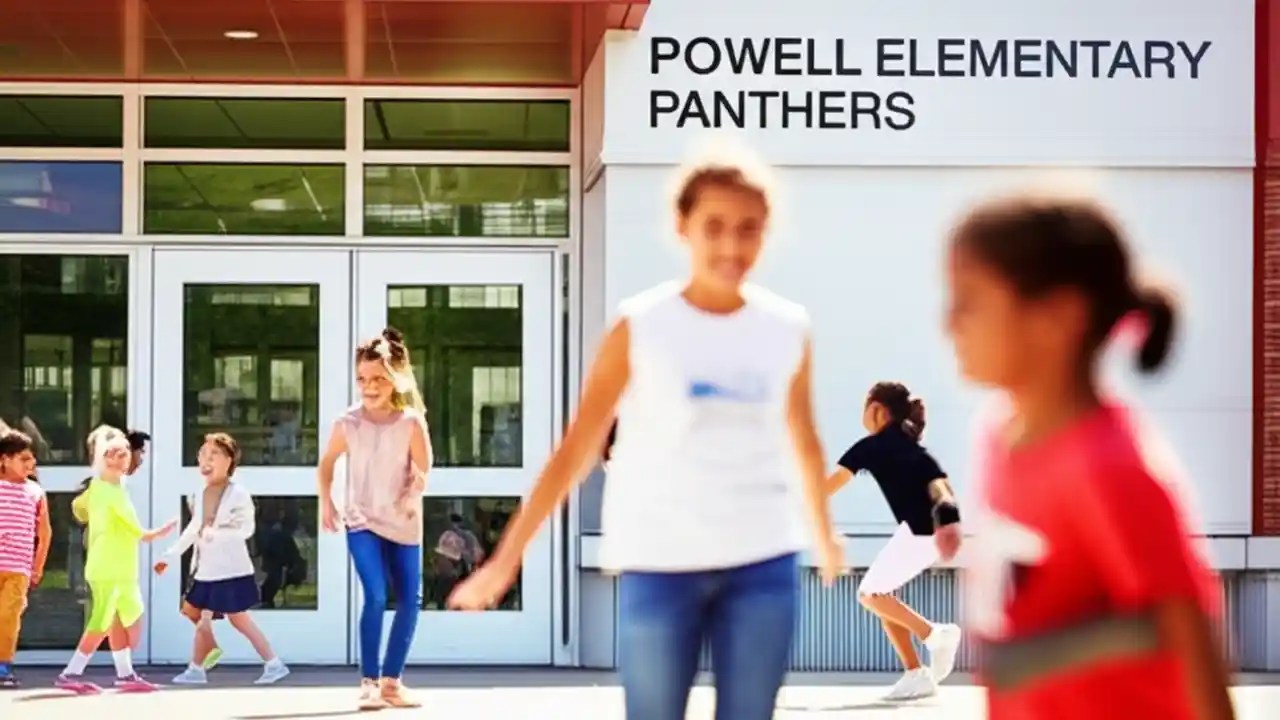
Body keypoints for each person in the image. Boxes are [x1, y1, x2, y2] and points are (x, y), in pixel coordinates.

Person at [448, 152, 844, 720]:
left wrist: (825, 536)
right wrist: (506, 559)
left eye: (748, 229)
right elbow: (577, 448)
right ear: (682, 227)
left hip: (762, 561)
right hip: (661, 562)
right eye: (714, 227)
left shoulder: (786, 328)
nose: (732, 247)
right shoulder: (642, 325)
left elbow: (804, 438)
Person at [946, 192, 1235, 719]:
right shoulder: (997, 432)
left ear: (1059, 316)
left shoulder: (1109, 467)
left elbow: (1187, 629)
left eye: (969, 300)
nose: (949, 324)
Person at [826, 382, 963, 700]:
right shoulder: (911, 447)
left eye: (864, 406)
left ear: (876, 410)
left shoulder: (871, 447)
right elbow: (940, 485)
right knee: (881, 594)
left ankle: (935, 634)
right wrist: (951, 521)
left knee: (869, 594)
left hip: (920, 531)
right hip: (927, 529)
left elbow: (832, 483)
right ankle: (916, 674)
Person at [317, 327, 431, 710]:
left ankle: (392, 683)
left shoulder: (412, 422)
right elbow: (326, 463)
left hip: (403, 522)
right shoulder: (347, 423)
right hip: (361, 520)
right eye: (363, 379)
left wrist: (414, 494)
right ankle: (368, 682)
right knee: (377, 593)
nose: (369, 386)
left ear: (395, 377)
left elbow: (424, 469)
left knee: (410, 601)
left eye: (378, 379)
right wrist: (326, 501)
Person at [156, 432, 289, 686]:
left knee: (237, 619)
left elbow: (246, 529)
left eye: (213, 454)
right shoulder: (200, 492)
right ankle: (198, 668)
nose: (206, 459)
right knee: (201, 615)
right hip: (206, 570)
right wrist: (170, 555)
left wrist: (217, 534)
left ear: (229, 460)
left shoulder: (238, 494)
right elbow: (194, 529)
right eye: (202, 454)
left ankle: (272, 664)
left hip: (230, 571)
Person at [57, 427, 176, 694]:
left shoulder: (103, 487)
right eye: (112, 455)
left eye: (123, 454)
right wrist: (159, 532)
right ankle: (71, 673)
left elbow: (78, 508)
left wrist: (96, 521)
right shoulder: (110, 491)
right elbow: (137, 531)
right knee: (102, 621)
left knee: (127, 618)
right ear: (101, 458)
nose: (120, 459)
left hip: (120, 567)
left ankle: (125, 674)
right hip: (108, 567)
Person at [73, 429, 158, 664]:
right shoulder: (102, 484)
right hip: (108, 559)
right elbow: (81, 510)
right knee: (110, 617)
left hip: (121, 560)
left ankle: (124, 670)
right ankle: (78, 669)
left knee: (116, 616)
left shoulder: (118, 483)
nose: (139, 459)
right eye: (139, 452)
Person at [0, 428, 50, 689]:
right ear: (5, 460)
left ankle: (3, 666)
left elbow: (44, 532)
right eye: (23, 459)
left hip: (18, 568)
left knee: (9, 617)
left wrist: (37, 566)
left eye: (32, 459)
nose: (31, 464)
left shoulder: (35, 492)